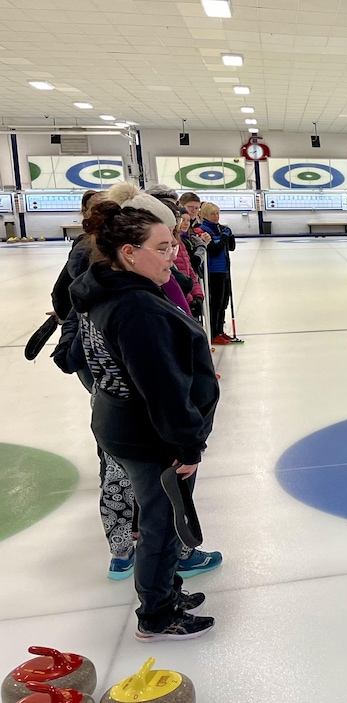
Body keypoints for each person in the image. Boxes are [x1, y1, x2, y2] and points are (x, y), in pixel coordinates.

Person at [69, 201, 219, 642]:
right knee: (163, 521)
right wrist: (187, 446)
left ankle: (166, 588)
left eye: (173, 245)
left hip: (122, 425)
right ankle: (157, 612)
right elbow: (163, 389)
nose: (173, 254)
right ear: (129, 253)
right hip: (151, 436)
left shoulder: (105, 289)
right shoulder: (137, 308)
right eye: (162, 247)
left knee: (160, 516)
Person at [196, 202, 239, 343]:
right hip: (213, 272)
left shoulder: (220, 229)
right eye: (213, 214)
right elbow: (214, 250)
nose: (216, 216)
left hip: (224, 269)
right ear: (205, 216)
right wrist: (224, 237)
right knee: (215, 303)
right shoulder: (202, 230)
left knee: (224, 302)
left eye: (217, 213)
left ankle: (220, 330)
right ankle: (214, 333)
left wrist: (229, 236)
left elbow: (231, 248)